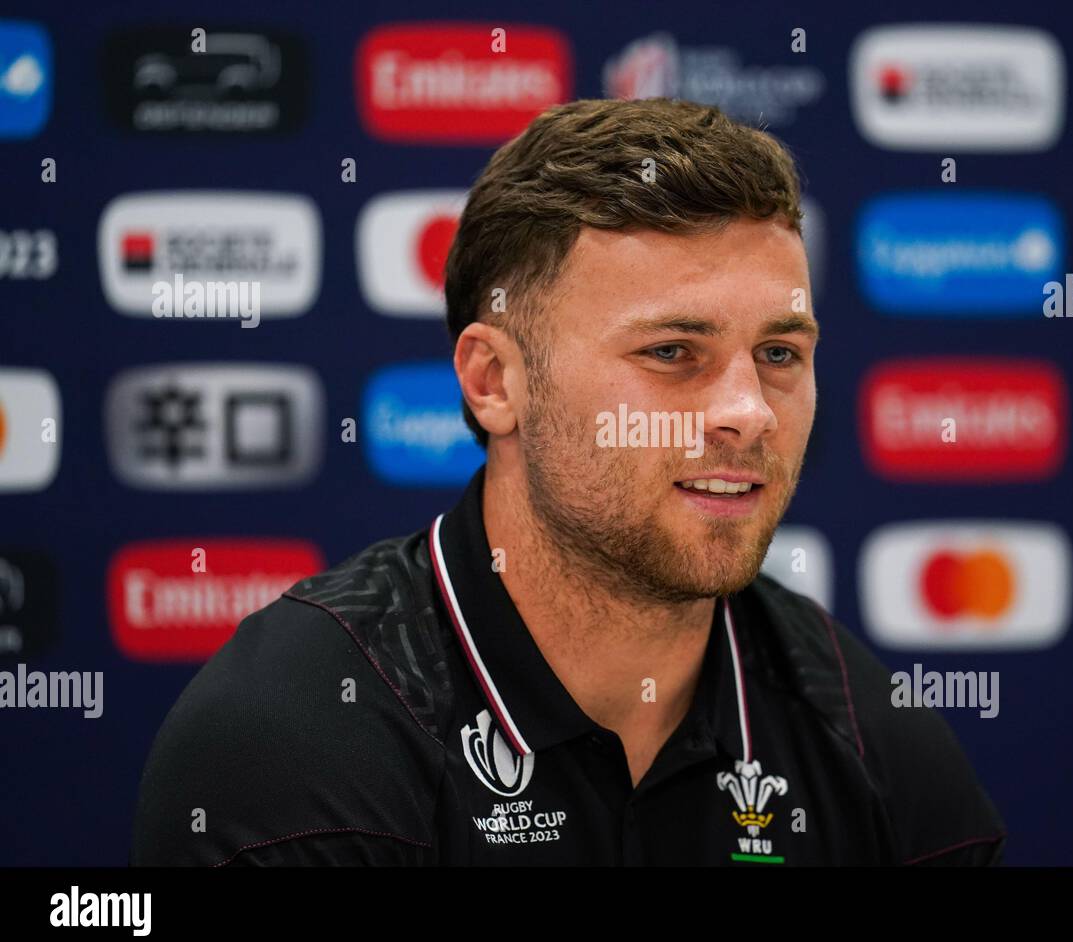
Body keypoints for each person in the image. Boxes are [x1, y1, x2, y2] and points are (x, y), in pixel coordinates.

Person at [130, 97, 1005, 866]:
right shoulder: (297, 746)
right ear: (494, 382)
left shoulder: (871, 743)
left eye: (779, 354)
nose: (750, 411)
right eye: (672, 352)